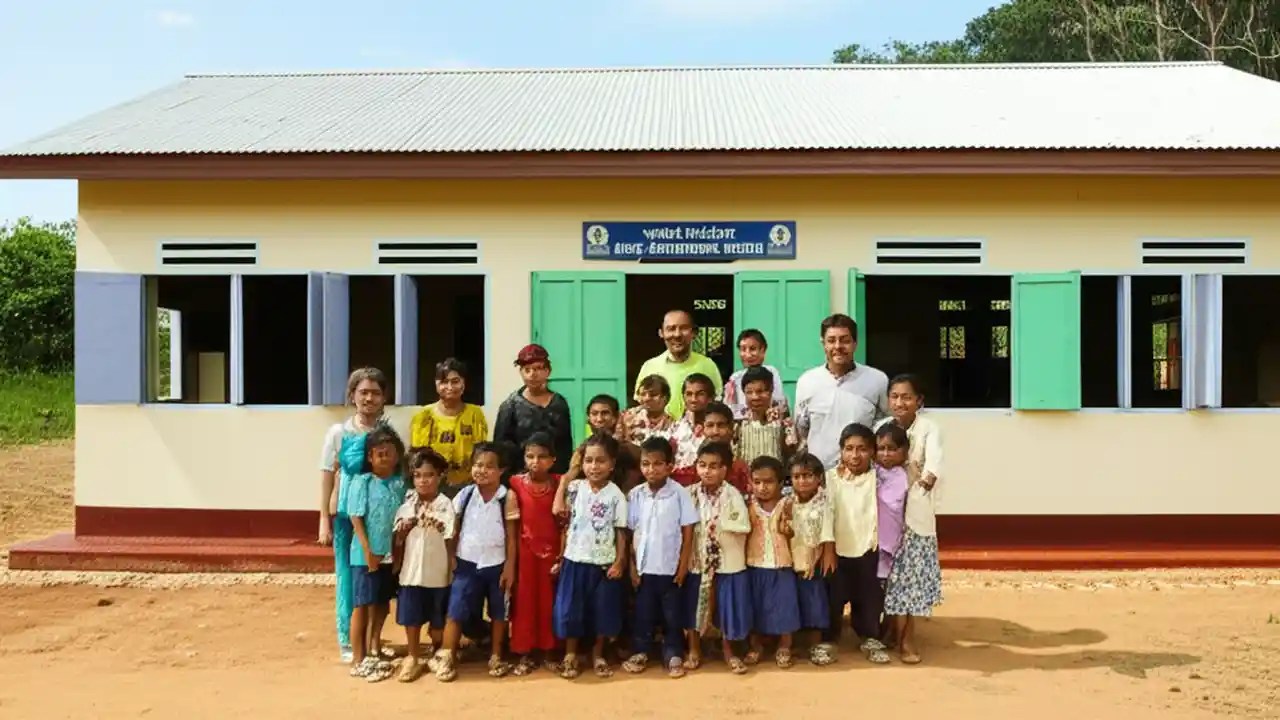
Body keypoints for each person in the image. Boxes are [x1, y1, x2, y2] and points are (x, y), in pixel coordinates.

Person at [429, 443, 520, 682]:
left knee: (499, 613)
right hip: (466, 562)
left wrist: (510, 566)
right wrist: (451, 557)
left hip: (496, 564)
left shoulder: (506, 497)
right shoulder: (465, 495)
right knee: (456, 610)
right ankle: (448, 654)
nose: (483, 471)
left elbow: (512, 537)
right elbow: (453, 529)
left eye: (490, 466)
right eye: (478, 465)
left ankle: (496, 656)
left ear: (502, 470)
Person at [318, 367, 390, 663]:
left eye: (375, 392)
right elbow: (326, 474)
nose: (369, 398)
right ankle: (348, 641)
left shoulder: (387, 433)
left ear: (384, 397)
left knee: (377, 580)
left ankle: (372, 640)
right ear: (352, 396)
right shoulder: (338, 433)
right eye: (363, 392)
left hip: (378, 520)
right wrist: (324, 518)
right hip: (347, 516)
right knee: (348, 578)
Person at [879, 374, 945, 665]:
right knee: (888, 580)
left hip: (915, 515)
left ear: (919, 401)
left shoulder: (929, 429)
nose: (900, 402)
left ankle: (908, 638)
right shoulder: (880, 428)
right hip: (883, 517)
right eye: (894, 396)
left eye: (907, 397)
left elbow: (934, 466)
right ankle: (890, 629)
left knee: (910, 581)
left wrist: (921, 485)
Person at [554, 433, 629, 680]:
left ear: (612, 464)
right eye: (588, 461)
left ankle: (598, 654)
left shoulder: (616, 495)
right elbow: (559, 514)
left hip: (604, 563)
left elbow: (621, 531)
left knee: (602, 611)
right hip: (575, 559)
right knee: (571, 610)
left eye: (600, 461)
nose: (594, 467)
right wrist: (567, 477)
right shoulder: (575, 488)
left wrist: (619, 561)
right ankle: (571, 655)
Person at [622, 436, 698, 679]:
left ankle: (673, 652)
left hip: (670, 568)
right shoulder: (635, 495)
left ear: (669, 466)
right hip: (644, 569)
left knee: (672, 614)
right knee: (643, 612)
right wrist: (632, 568)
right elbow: (629, 532)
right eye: (646, 464)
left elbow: (688, 532)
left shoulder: (679, 494)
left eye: (657, 464)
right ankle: (641, 650)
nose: (651, 469)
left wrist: (683, 565)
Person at [825, 423, 890, 664]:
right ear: (841, 451)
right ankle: (829, 638)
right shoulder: (831, 479)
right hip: (838, 549)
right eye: (849, 449)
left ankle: (869, 636)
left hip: (868, 548)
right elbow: (827, 515)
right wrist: (828, 548)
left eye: (862, 449)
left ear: (872, 451)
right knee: (833, 597)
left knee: (868, 596)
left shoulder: (878, 477)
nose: (855, 455)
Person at [346, 426, 408, 682]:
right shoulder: (362, 482)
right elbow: (356, 517)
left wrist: (398, 551)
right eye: (378, 453)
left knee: (382, 601)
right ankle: (358, 658)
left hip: (390, 553)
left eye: (388, 453)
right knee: (362, 604)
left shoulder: (400, 484)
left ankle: (374, 646)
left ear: (396, 456)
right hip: (366, 555)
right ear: (370, 457)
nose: (384, 457)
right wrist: (367, 550)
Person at [687, 441, 752, 675]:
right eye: (702, 465)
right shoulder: (690, 494)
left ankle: (729, 652)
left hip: (726, 562)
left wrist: (718, 524)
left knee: (727, 609)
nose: (707, 471)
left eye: (714, 466)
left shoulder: (733, 495)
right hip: (697, 560)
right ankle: (694, 649)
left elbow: (741, 525)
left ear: (724, 470)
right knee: (694, 608)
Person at [392, 448, 456, 683]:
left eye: (428, 475)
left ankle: (438, 653)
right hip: (411, 570)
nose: (423, 480)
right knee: (412, 616)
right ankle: (412, 655)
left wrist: (439, 526)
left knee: (438, 616)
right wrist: (402, 530)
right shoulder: (407, 504)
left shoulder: (445, 504)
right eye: (418, 475)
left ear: (439, 476)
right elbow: (397, 539)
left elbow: (451, 533)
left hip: (437, 571)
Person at [794, 314, 889, 470]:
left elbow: (884, 427)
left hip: (861, 477)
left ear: (855, 343)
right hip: (819, 476)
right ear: (823, 344)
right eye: (831, 341)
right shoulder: (807, 382)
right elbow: (801, 430)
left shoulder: (877, 380)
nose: (838, 346)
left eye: (845, 340)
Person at [508, 433, 563, 675]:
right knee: (525, 601)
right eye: (530, 456)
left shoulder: (560, 483)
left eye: (542, 457)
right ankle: (524, 651)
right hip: (525, 552)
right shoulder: (515, 483)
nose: (535, 462)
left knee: (549, 600)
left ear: (552, 460)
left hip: (552, 551)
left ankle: (550, 649)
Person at [744, 456, 800, 669]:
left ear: (780, 483)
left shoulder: (788, 504)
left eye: (768, 482)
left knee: (784, 605)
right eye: (757, 482)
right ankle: (755, 645)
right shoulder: (749, 506)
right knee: (756, 606)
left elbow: (797, 531)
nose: (762, 487)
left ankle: (785, 645)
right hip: (755, 563)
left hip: (782, 563)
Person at [409, 358, 489, 497]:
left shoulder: (475, 414)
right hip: (434, 488)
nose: (450, 387)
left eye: (455, 381)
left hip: (468, 486)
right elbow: (418, 457)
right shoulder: (424, 416)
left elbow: (481, 452)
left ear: (464, 383)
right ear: (436, 384)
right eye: (444, 382)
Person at [787, 452, 837, 666]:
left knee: (815, 601)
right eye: (797, 477)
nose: (802, 481)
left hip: (814, 559)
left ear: (818, 479)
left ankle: (816, 644)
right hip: (792, 559)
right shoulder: (788, 502)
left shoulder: (824, 502)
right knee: (795, 601)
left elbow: (827, 529)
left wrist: (827, 552)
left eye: (807, 476)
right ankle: (797, 642)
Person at [494, 344, 574, 475]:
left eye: (538, 369)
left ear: (548, 371)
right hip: (520, 478)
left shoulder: (559, 403)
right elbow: (501, 449)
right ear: (521, 372)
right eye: (527, 370)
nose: (532, 374)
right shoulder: (510, 406)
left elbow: (565, 446)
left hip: (554, 477)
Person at [634, 309, 724, 418]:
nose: (677, 334)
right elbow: (641, 405)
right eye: (671, 329)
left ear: (694, 332)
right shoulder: (650, 366)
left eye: (684, 328)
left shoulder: (708, 365)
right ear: (661, 333)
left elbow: (717, 405)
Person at [723, 329, 789, 420]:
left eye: (752, 349)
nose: (748, 355)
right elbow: (730, 409)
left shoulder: (771, 372)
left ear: (763, 350)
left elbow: (778, 404)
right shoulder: (735, 378)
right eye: (743, 349)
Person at [874, 423, 909, 589]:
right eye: (881, 449)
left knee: (890, 588)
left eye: (892, 449)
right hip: (873, 541)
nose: (886, 454)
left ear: (904, 451)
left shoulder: (905, 476)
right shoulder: (871, 472)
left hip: (894, 539)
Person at [736, 366, 793, 466]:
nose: (755, 397)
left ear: (771, 391)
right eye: (749, 392)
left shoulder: (784, 423)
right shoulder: (739, 424)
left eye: (760, 391)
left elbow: (791, 455)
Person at [670, 374, 715, 486]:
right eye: (689, 394)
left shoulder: (717, 428)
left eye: (700, 394)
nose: (693, 399)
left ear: (711, 398)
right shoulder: (675, 427)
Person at [701, 401, 750, 496]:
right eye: (710, 425)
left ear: (732, 429)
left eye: (721, 425)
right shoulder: (697, 468)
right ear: (703, 429)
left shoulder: (741, 469)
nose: (715, 432)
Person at [619, 374, 675, 445]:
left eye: (653, 394)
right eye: (643, 394)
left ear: (665, 398)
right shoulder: (628, 418)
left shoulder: (672, 424)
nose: (647, 398)